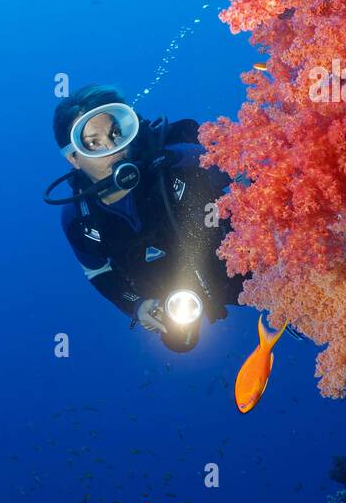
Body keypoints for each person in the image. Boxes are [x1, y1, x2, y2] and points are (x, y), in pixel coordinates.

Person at [45, 84, 242, 350]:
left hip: (247, 271)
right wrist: (136, 306)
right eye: (93, 143)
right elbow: (99, 271)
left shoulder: (176, 164)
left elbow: (251, 168)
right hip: (175, 296)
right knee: (179, 344)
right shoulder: (79, 219)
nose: (113, 148)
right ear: (73, 158)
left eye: (116, 133)